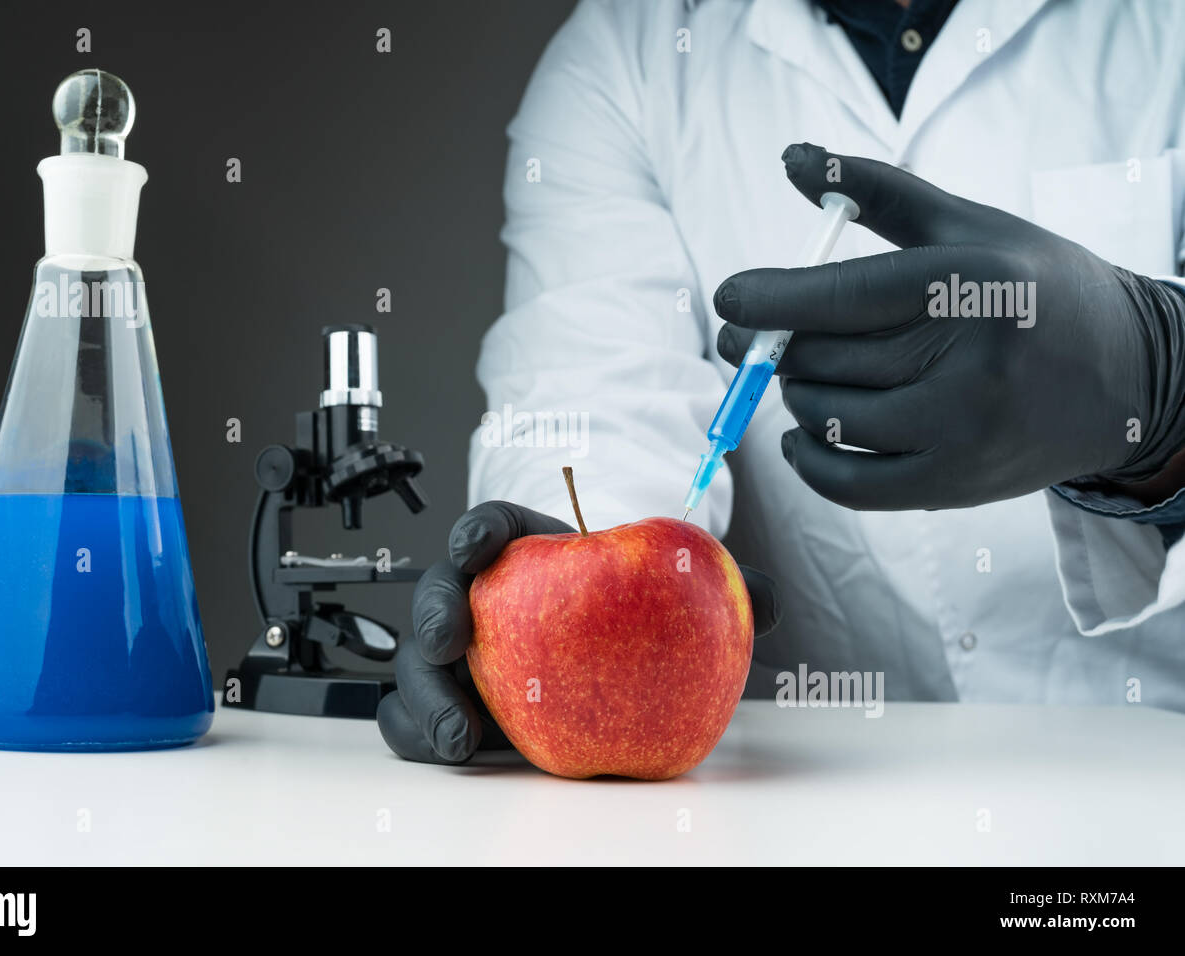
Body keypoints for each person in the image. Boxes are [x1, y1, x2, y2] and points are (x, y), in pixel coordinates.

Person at [378, 0, 1185, 765]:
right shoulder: (637, 48)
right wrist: (556, 621)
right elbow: (594, 395)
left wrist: (1160, 377)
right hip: (816, 793)